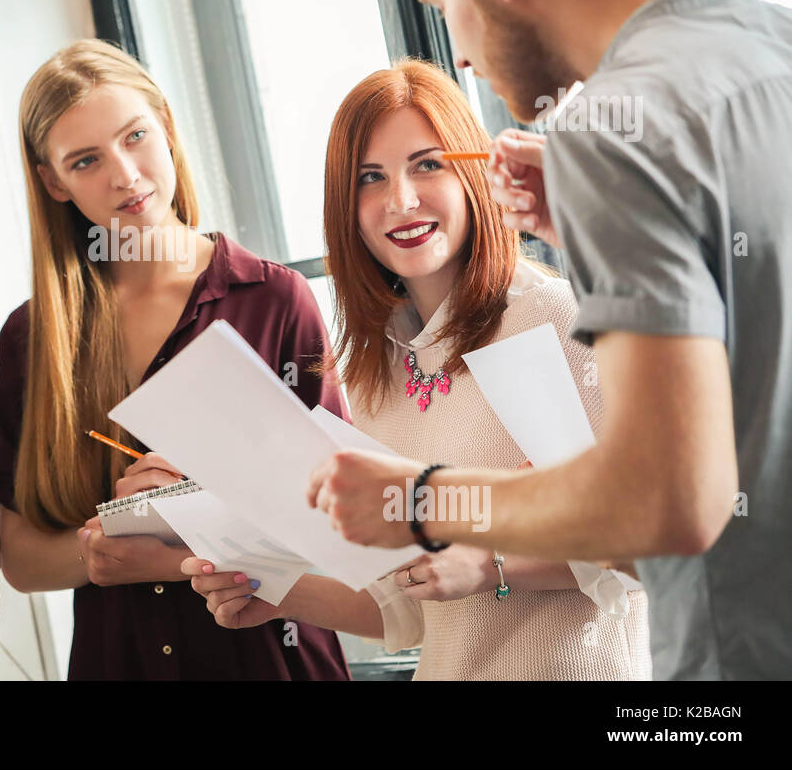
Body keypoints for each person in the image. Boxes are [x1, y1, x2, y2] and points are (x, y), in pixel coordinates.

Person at [302, 0, 792, 679]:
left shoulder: (608, 133)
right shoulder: (774, 44)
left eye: (442, 0)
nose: (459, 53)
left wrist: (415, 498)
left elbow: (663, 504)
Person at [186, 60, 650, 679]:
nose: (400, 200)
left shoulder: (554, 321)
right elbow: (408, 605)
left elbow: (646, 539)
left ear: (472, 174)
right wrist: (271, 593)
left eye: (427, 164)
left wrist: (492, 565)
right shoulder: (376, 369)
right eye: (369, 178)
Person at [0, 39, 350, 679]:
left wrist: (184, 527)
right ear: (53, 182)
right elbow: (20, 559)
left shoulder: (274, 301)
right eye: (86, 160)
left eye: (135, 137)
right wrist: (112, 539)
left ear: (168, 129)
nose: (124, 174)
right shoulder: (30, 339)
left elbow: (342, 524)